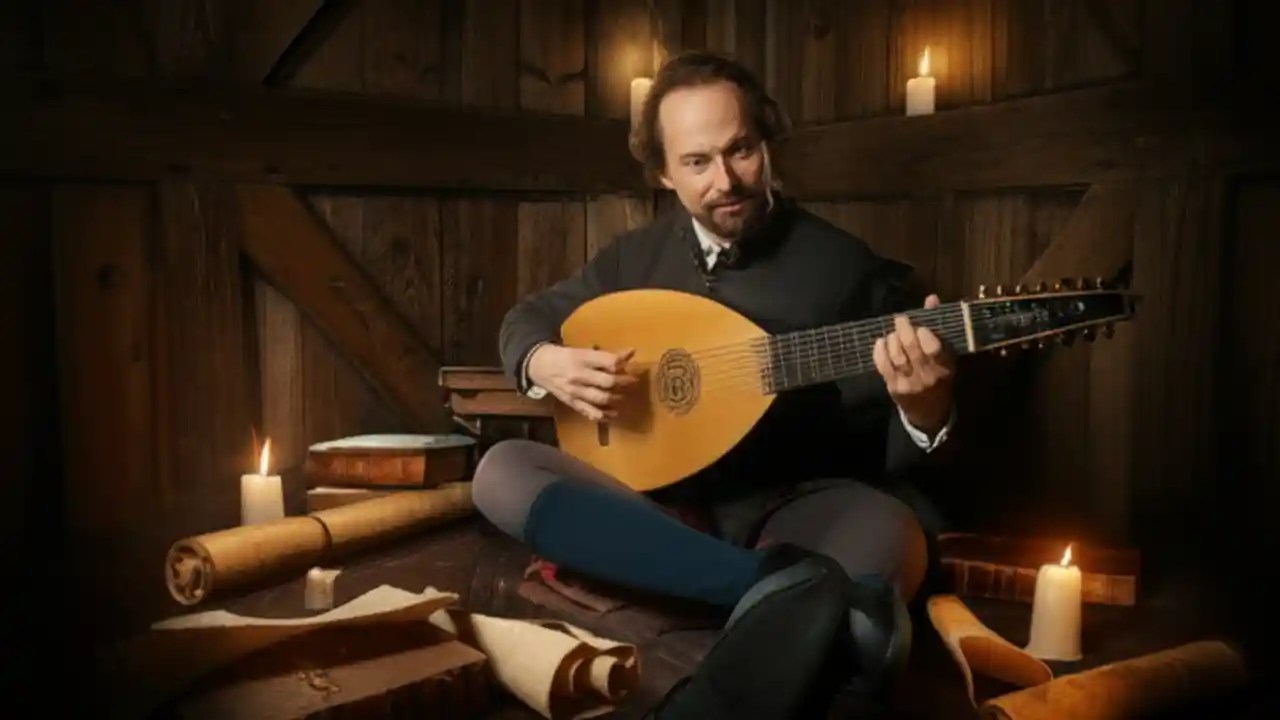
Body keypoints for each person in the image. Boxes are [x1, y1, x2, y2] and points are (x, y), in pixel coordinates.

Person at [472, 51, 957, 719]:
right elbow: (527, 318)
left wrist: (922, 409)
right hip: (657, 505)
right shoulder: (633, 259)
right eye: (697, 162)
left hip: (797, 507)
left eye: (741, 151)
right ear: (665, 173)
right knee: (500, 472)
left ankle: (756, 622)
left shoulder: (845, 268)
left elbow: (895, 453)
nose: (725, 180)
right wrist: (542, 361)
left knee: (892, 536)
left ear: (767, 144)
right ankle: (777, 591)